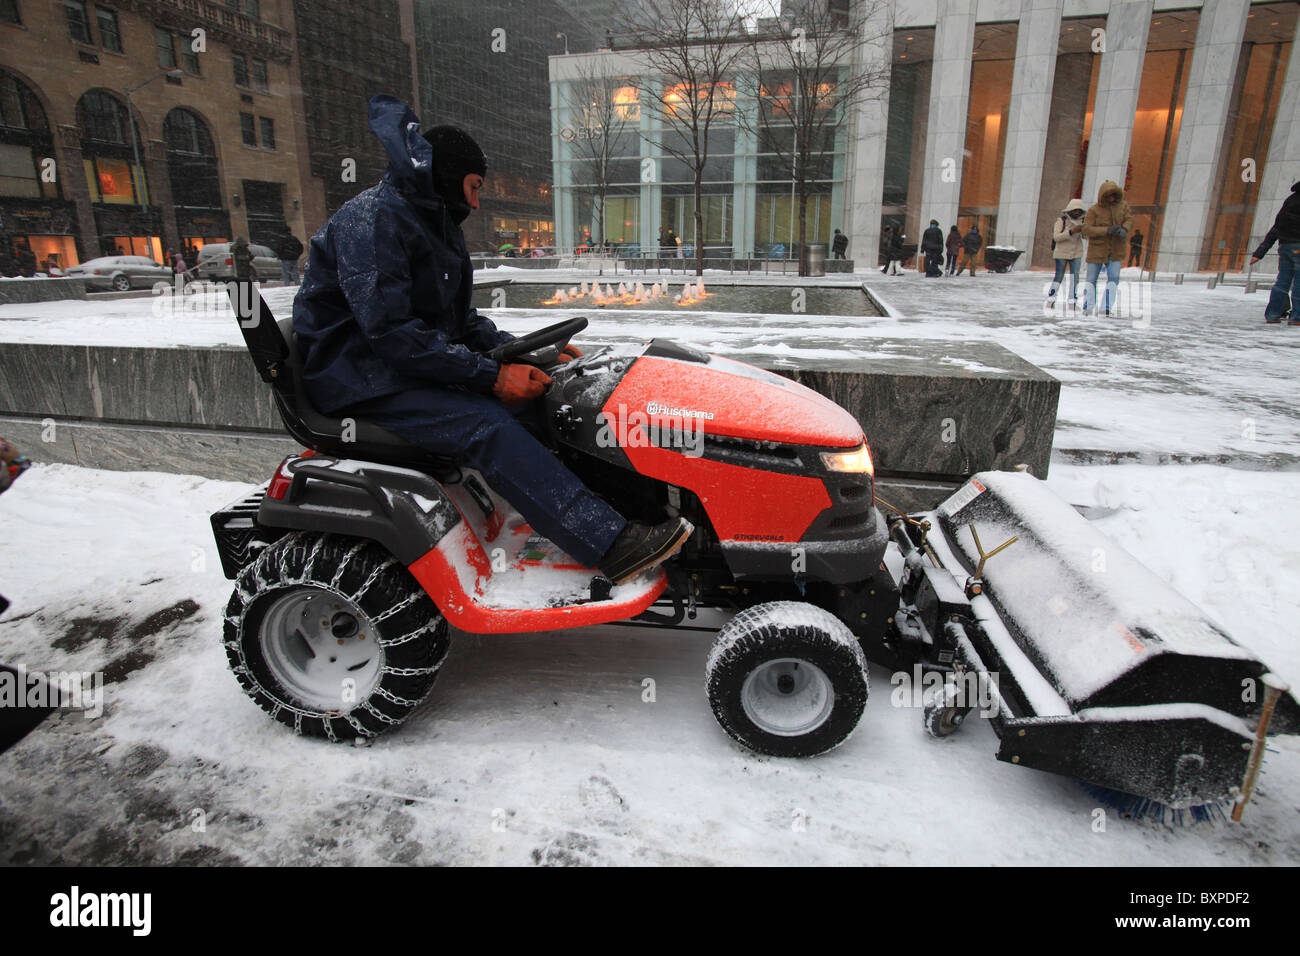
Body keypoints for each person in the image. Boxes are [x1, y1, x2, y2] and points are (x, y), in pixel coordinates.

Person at [293, 95, 691, 583]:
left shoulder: (430, 224)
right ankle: (610, 545)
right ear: (448, 176)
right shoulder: (372, 220)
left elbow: (462, 325)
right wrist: (492, 377)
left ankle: (642, 517)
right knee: (487, 425)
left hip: (396, 367)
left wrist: (530, 354)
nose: (477, 202)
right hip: (358, 376)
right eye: (474, 186)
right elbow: (393, 334)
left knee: (552, 400)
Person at [1249, 181, 1300, 325]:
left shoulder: (1290, 200)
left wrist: (1260, 252)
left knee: (1282, 282)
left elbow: (1277, 226)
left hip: (1285, 246)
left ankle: (1272, 315)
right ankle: (1297, 317)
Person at [1082, 180, 1133, 315]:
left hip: (1116, 250)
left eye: (1114, 195)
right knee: (1091, 279)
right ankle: (1088, 306)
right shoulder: (1094, 210)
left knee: (1114, 278)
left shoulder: (1123, 207)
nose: (1112, 199)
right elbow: (1086, 229)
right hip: (1097, 250)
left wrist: (1124, 229)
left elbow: (1129, 219)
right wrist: (1106, 230)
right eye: (1109, 196)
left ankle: (1106, 307)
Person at [1047, 199, 1086, 308]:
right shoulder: (1061, 221)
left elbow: (1086, 237)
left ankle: (1072, 301)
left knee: (1075, 277)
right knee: (1059, 276)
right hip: (1061, 253)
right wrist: (1071, 231)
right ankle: (1051, 299)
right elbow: (1057, 237)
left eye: (1079, 211)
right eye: (1075, 210)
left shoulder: (1083, 221)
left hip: (1076, 253)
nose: (1077, 213)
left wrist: (1085, 230)